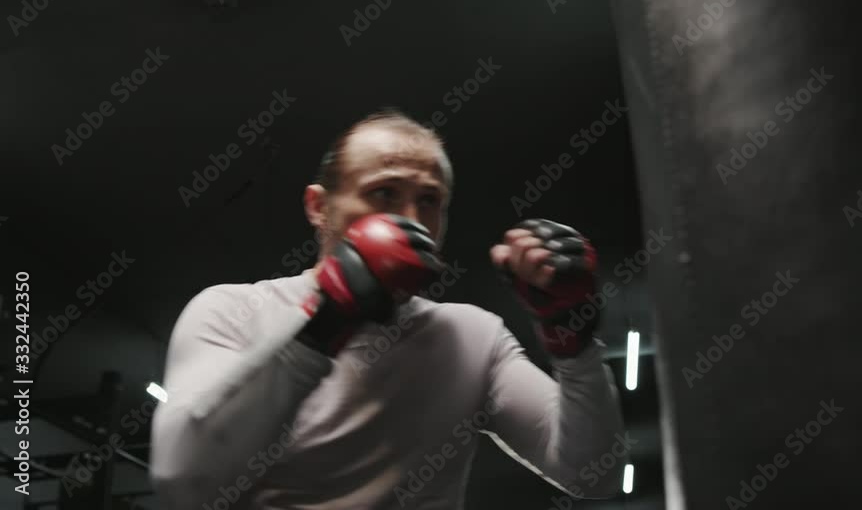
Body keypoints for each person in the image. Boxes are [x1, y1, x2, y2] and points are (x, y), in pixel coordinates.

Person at [149, 110, 627, 509]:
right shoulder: (233, 311)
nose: (411, 219)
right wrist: (326, 322)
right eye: (383, 193)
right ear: (319, 207)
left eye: (429, 200)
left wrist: (574, 340)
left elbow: (593, 475)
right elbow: (181, 482)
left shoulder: (472, 337)